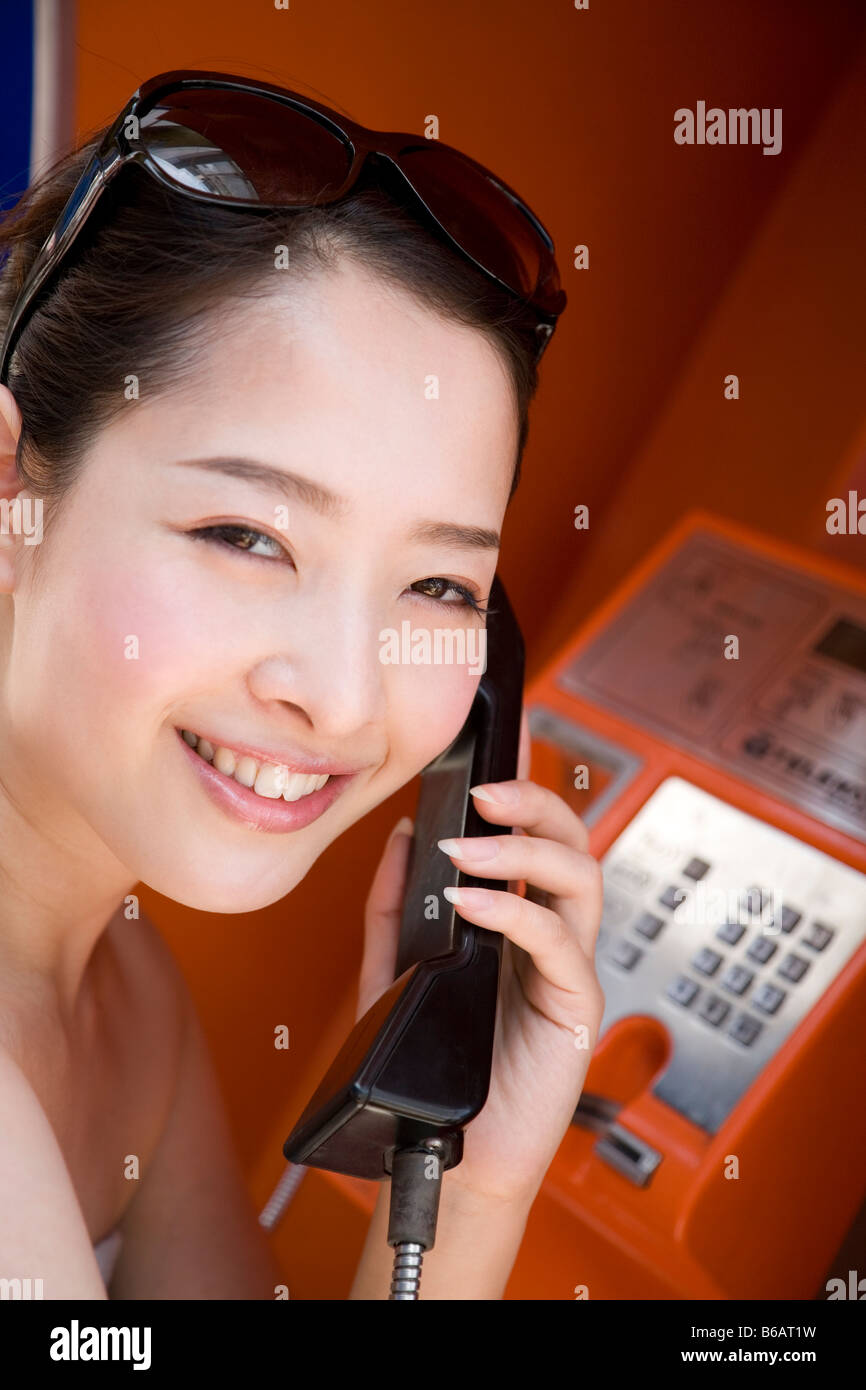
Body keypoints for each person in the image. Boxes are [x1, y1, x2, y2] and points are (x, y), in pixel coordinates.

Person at [0, 71, 604, 1300]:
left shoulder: (125, 990)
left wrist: (463, 1183)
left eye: (437, 588)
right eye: (246, 536)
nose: (339, 697)